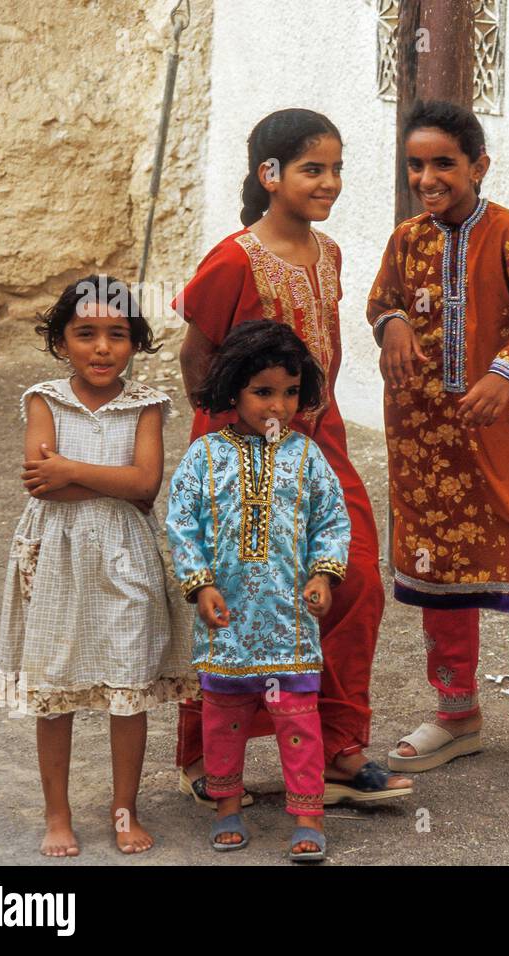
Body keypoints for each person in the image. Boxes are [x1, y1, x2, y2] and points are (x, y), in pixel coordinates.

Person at [174, 108, 412, 805]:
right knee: (235, 593)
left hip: (320, 445)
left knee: (357, 578)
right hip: (239, 451)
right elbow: (197, 359)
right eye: (314, 169)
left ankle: (336, 746)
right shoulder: (231, 259)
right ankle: (204, 759)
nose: (330, 182)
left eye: (337, 168)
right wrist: (236, 443)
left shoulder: (330, 255)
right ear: (269, 175)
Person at [368, 99, 509, 787]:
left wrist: (507, 374)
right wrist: (392, 325)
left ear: (478, 166)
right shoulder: (406, 239)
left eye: (444, 162)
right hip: (426, 439)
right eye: (416, 164)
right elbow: (382, 299)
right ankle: (457, 714)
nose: (428, 176)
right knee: (440, 569)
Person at [0, 276, 196, 856]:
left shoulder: (145, 405)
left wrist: (70, 469)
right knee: (57, 688)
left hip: (127, 560)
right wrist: (105, 482)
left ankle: (124, 810)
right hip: (55, 558)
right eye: (86, 334)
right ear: (60, 342)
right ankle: (58, 813)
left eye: (118, 335)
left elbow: (146, 484)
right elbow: (41, 487)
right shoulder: (43, 399)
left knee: (128, 686)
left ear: (135, 342)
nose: (102, 348)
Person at [168, 320, 349, 861]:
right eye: (263, 391)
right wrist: (200, 586)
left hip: (289, 624)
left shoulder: (306, 456)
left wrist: (322, 574)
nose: (280, 406)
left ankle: (307, 812)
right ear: (233, 391)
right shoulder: (203, 457)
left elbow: (332, 521)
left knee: (298, 715)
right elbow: (182, 524)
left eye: (291, 392)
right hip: (225, 621)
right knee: (223, 716)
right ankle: (226, 807)